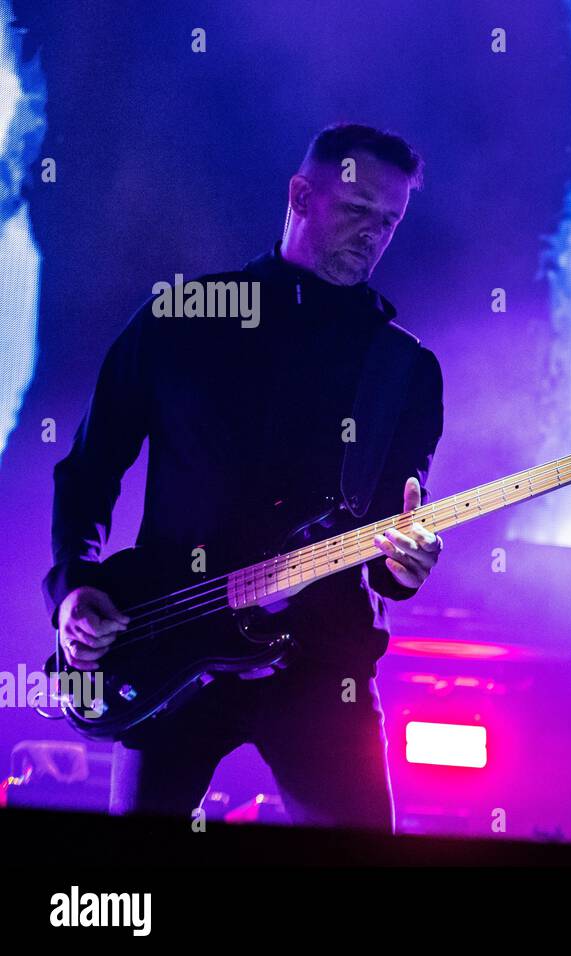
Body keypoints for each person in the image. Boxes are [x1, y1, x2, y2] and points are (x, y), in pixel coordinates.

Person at [41, 123, 445, 831]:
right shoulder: (183, 317)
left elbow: (392, 530)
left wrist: (405, 570)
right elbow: (90, 464)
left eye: (389, 222)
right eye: (357, 210)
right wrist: (75, 582)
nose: (373, 235)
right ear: (301, 196)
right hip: (168, 639)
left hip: (323, 661)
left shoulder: (404, 370)